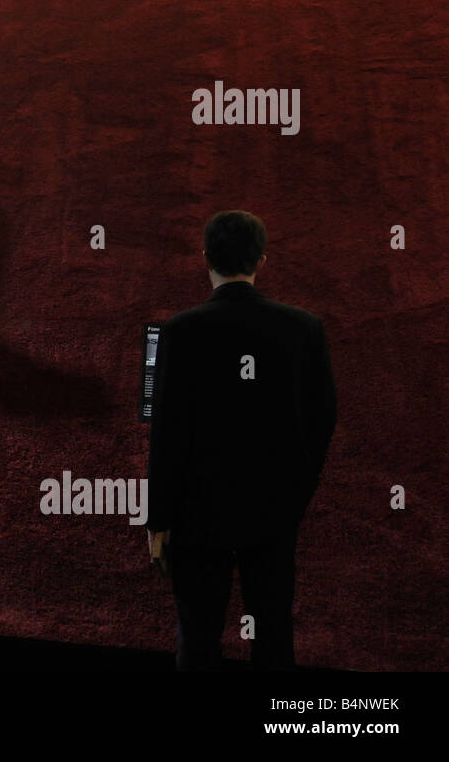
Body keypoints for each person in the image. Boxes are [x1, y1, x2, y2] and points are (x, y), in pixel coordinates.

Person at [146, 210, 336, 670]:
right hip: (273, 511)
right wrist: (295, 494)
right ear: (262, 260)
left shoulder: (176, 331)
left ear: (205, 258)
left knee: (198, 638)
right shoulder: (305, 328)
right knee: (273, 636)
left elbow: (166, 433)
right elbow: (322, 420)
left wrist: (158, 521)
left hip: (197, 516)